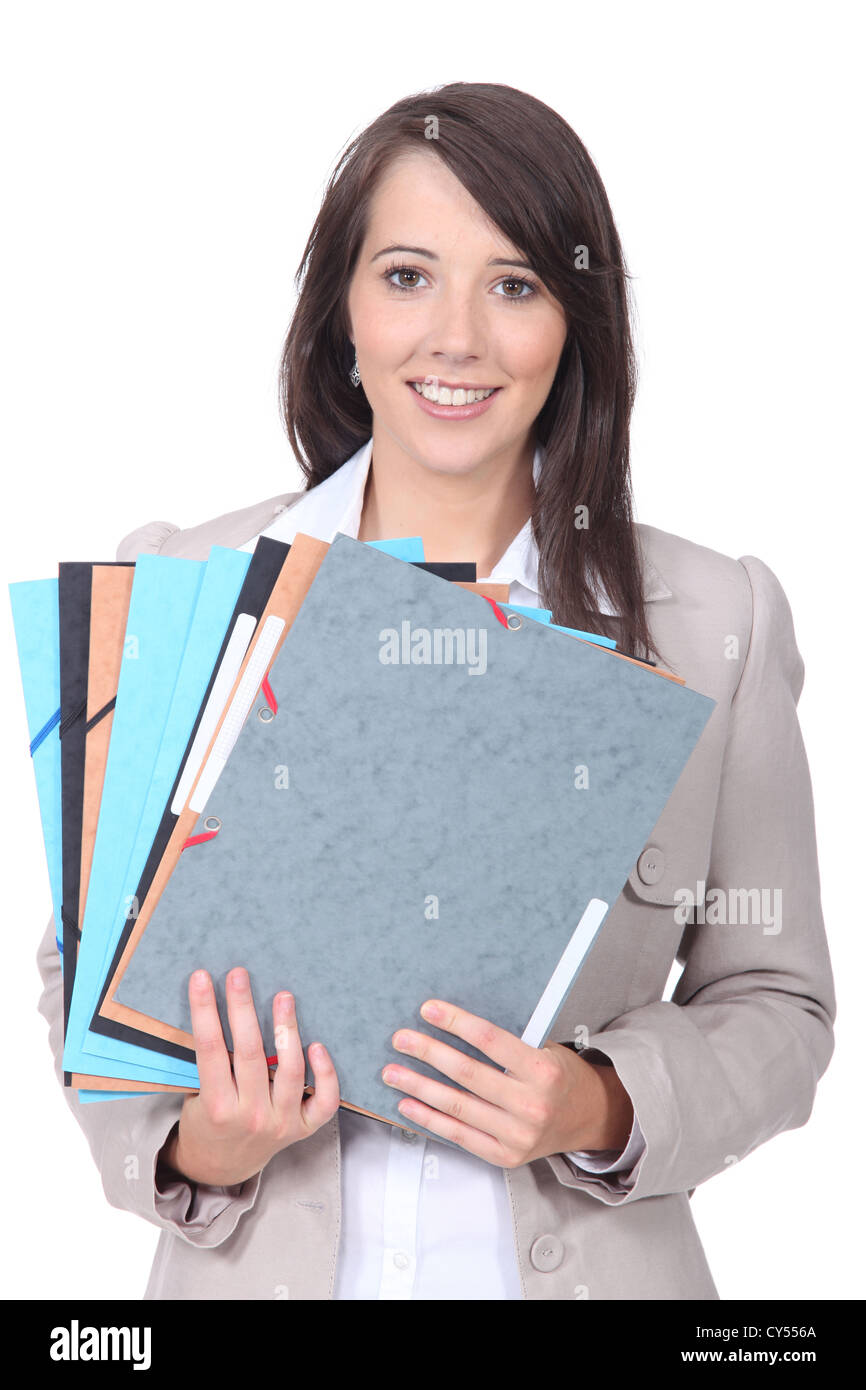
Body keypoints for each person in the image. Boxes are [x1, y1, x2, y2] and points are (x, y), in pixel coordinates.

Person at [37, 81, 835, 1300]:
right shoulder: (186, 590)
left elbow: (775, 1006)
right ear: (340, 316)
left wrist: (600, 1101)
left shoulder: (712, 621)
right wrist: (207, 1145)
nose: (454, 336)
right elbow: (86, 973)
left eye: (513, 284)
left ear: (572, 324)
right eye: (406, 276)